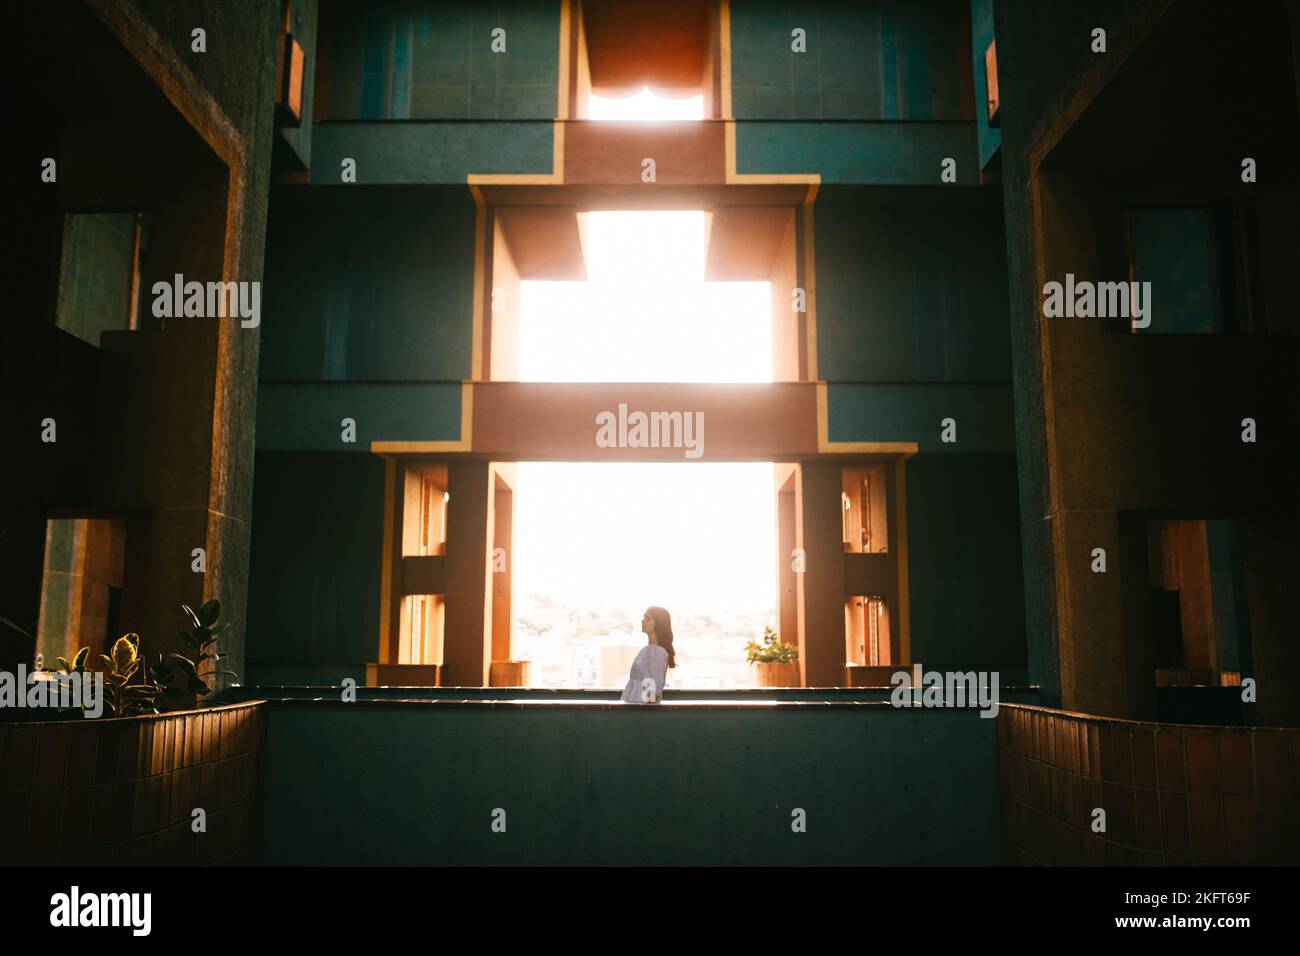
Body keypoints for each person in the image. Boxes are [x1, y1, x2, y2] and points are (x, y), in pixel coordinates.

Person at [620, 606, 675, 703]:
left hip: (640, 711)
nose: (643, 621)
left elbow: (653, 688)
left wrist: (645, 713)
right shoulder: (646, 650)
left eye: (648, 618)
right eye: (644, 617)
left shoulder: (657, 652)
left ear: (659, 624)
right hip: (633, 708)